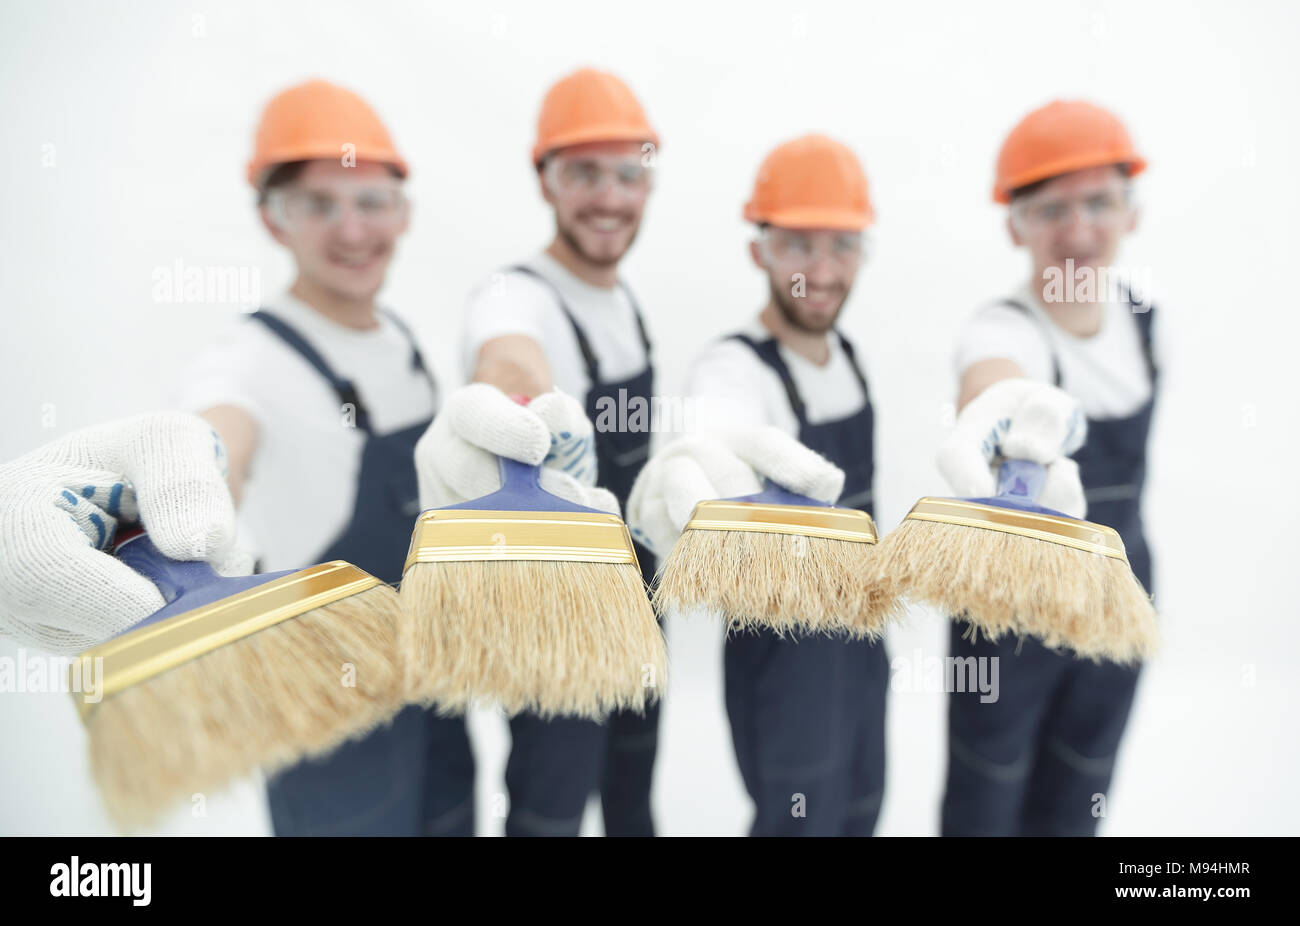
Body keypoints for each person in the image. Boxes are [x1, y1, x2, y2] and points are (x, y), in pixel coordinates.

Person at [176, 79, 477, 836]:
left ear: (402, 213)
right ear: (273, 220)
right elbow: (214, 442)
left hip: (431, 683)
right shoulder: (247, 360)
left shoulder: (404, 340)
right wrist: (183, 498)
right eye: (318, 204)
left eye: (371, 201)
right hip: (324, 703)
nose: (352, 230)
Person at [628, 135, 888, 835]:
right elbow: (718, 420)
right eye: (799, 245)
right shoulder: (734, 367)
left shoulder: (849, 359)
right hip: (788, 665)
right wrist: (713, 471)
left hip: (864, 651)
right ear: (760, 251)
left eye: (842, 245)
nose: (823, 270)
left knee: (861, 814)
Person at [939, 100, 1162, 836]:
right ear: (1016, 226)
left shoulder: (1140, 315)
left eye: (1099, 202)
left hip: (1118, 600)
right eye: (1050, 209)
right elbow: (994, 379)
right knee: (987, 796)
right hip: (1012, 616)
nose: (1078, 230)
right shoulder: (1001, 329)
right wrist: (1001, 420)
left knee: (1080, 791)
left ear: (1131, 210)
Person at [458, 67, 662, 836]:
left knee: (633, 794)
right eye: (582, 173)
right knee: (550, 811)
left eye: (628, 174)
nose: (609, 197)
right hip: (553, 615)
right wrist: (524, 409)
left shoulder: (623, 301)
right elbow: (508, 358)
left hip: (640, 598)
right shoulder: (514, 295)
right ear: (543, 177)